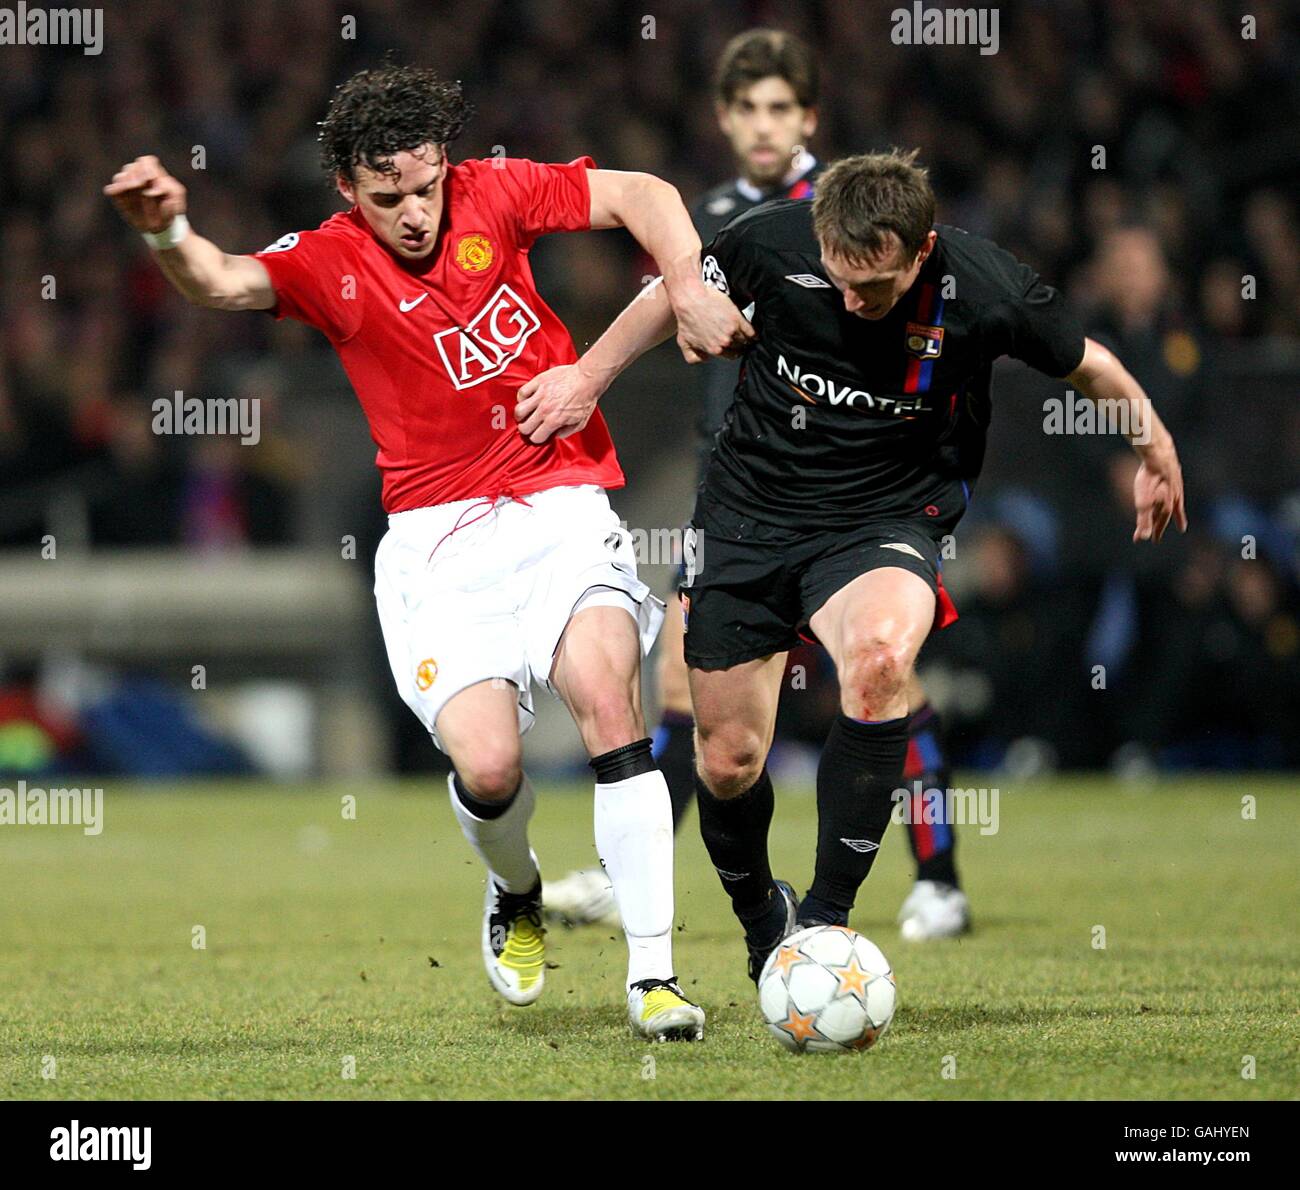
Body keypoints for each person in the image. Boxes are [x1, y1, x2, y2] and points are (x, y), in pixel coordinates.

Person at [104, 65, 751, 1040]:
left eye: (424, 187)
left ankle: (652, 977)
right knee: (489, 767)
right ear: (347, 193)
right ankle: (516, 887)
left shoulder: (499, 190)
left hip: (560, 501)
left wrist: (672, 300)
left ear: (448, 165)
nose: (412, 212)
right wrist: (165, 231)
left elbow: (644, 195)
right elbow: (223, 278)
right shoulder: (329, 262)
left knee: (606, 699)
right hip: (438, 542)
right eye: (386, 196)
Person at [516, 149, 1187, 984]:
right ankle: (768, 918)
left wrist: (1153, 441)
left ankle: (825, 929)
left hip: (886, 518)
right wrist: (586, 377)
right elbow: (669, 293)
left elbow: (1087, 362)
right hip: (750, 514)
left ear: (922, 249)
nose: (853, 301)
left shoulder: (984, 286)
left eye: (876, 287)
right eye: (839, 280)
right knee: (726, 760)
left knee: (877, 667)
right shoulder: (773, 241)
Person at [542, 30, 971, 942]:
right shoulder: (712, 216)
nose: (765, 126)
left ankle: (938, 875)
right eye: (748, 109)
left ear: (809, 117)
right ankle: (641, 871)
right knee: (681, 684)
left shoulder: (852, 218)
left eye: (783, 107)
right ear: (725, 119)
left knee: (885, 672)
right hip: (736, 482)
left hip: (849, 492)